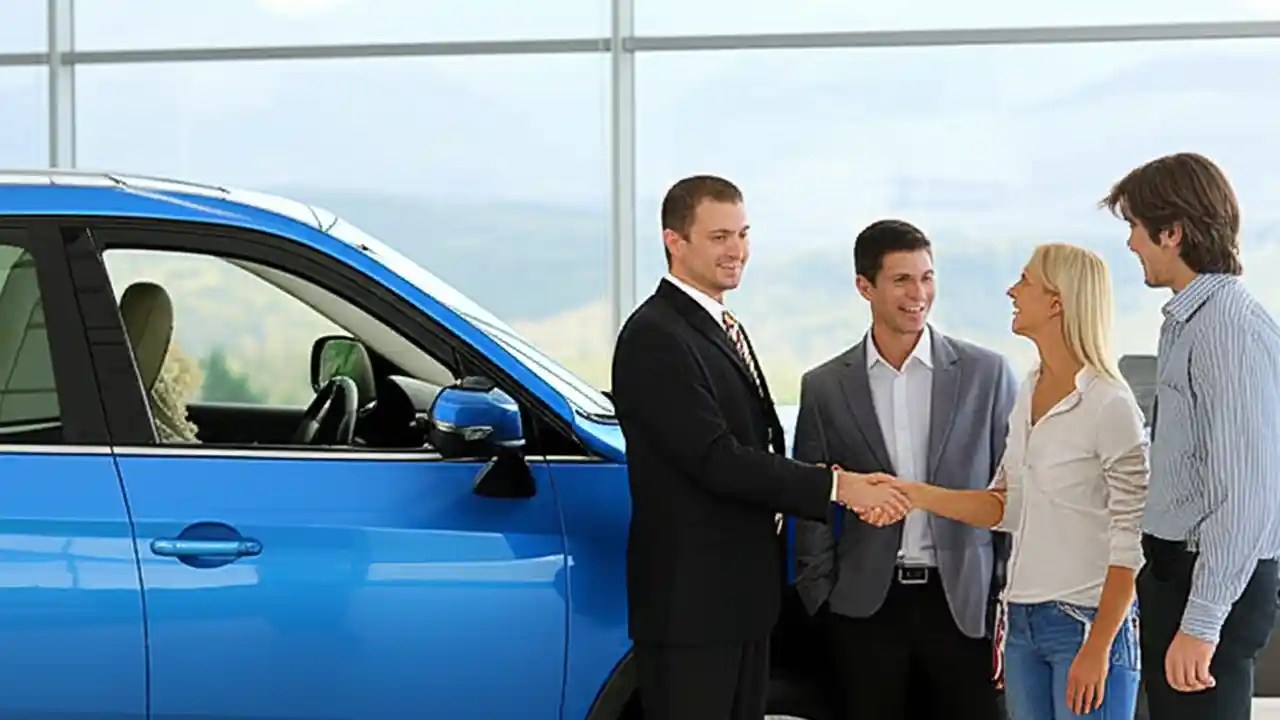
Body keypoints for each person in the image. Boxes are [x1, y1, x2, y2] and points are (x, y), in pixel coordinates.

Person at [610, 175, 909, 720]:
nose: (737, 251)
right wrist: (838, 487)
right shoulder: (656, 335)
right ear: (674, 241)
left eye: (743, 234)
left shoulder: (720, 326)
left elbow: (756, 445)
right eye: (720, 236)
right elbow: (715, 459)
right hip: (692, 609)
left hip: (739, 603)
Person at [887, 242, 1149, 719]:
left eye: (1025, 281)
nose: (1012, 289)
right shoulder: (1028, 389)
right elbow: (1005, 508)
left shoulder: (1110, 404)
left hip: (1086, 625)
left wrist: (1098, 649)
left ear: (1056, 302)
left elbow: (1130, 542)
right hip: (1023, 623)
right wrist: (915, 494)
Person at [791, 218, 1018, 720]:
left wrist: (1001, 597)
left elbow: (1010, 492)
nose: (919, 294)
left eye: (927, 277)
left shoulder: (987, 374)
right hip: (865, 607)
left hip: (963, 607)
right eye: (902, 280)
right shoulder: (825, 386)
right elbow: (811, 501)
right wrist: (821, 597)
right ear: (864, 287)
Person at [1100, 152, 1280, 719]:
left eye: (1135, 227)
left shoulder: (1225, 327)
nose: (1131, 243)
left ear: (1172, 231)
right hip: (1179, 572)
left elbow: (1247, 492)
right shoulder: (1189, 322)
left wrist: (1202, 622)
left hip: (1207, 583)